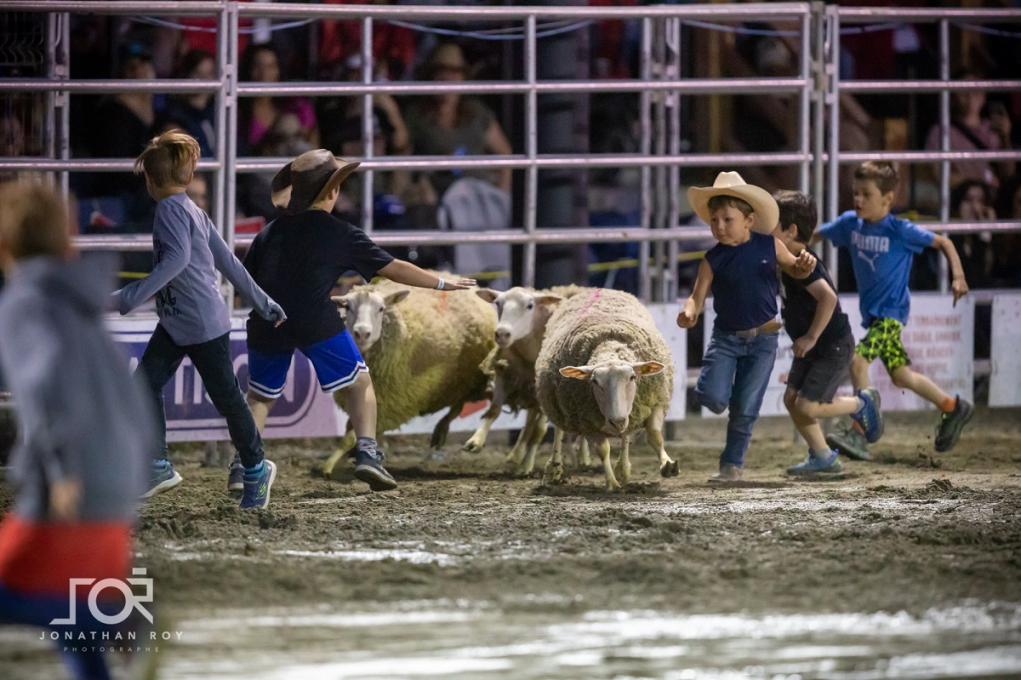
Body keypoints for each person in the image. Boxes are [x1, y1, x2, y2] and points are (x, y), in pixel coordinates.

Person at [242, 149, 477, 492]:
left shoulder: (269, 232)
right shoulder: (340, 233)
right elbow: (393, 267)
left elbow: (247, 278)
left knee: (260, 397)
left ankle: (245, 466)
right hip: (313, 316)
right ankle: (367, 453)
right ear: (333, 191)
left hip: (267, 316)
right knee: (360, 383)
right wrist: (440, 282)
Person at [0, 182, 155, 680]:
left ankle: (118, 614)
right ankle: (112, 613)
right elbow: (132, 397)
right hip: (117, 484)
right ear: (68, 240)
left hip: (72, 484)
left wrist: (63, 469)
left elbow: (48, 380)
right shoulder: (80, 305)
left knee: (54, 603)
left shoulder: (25, 300)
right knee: (75, 628)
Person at [111, 131, 287, 508]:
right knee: (151, 386)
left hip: (198, 325)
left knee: (226, 399)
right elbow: (229, 262)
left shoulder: (170, 210)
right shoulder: (192, 209)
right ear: (187, 176)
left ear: (150, 180)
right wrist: (262, 301)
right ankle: (158, 464)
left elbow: (176, 261)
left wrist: (128, 297)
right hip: (183, 322)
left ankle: (256, 466)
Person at [818, 161, 973, 460]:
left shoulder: (900, 230)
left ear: (888, 198)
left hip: (891, 315)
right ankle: (952, 406)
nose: (858, 199)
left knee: (858, 363)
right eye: (856, 193)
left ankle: (860, 430)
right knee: (901, 376)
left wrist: (958, 276)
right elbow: (817, 234)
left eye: (866, 194)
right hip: (875, 316)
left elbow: (944, 242)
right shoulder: (850, 224)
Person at [676, 172, 816, 482]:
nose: (719, 226)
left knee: (746, 408)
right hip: (726, 339)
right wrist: (689, 312)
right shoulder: (712, 259)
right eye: (714, 220)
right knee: (714, 398)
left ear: (749, 220)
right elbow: (697, 297)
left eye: (728, 219)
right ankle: (714, 394)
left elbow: (795, 267)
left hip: (764, 340)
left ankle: (731, 465)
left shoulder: (771, 246)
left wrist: (803, 265)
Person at [772, 190, 883, 475]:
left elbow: (828, 298)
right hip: (813, 345)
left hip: (830, 345)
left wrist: (811, 337)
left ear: (790, 231)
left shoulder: (802, 262)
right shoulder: (787, 260)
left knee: (807, 407)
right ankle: (822, 456)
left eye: (771, 224)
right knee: (792, 401)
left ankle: (861, 403)